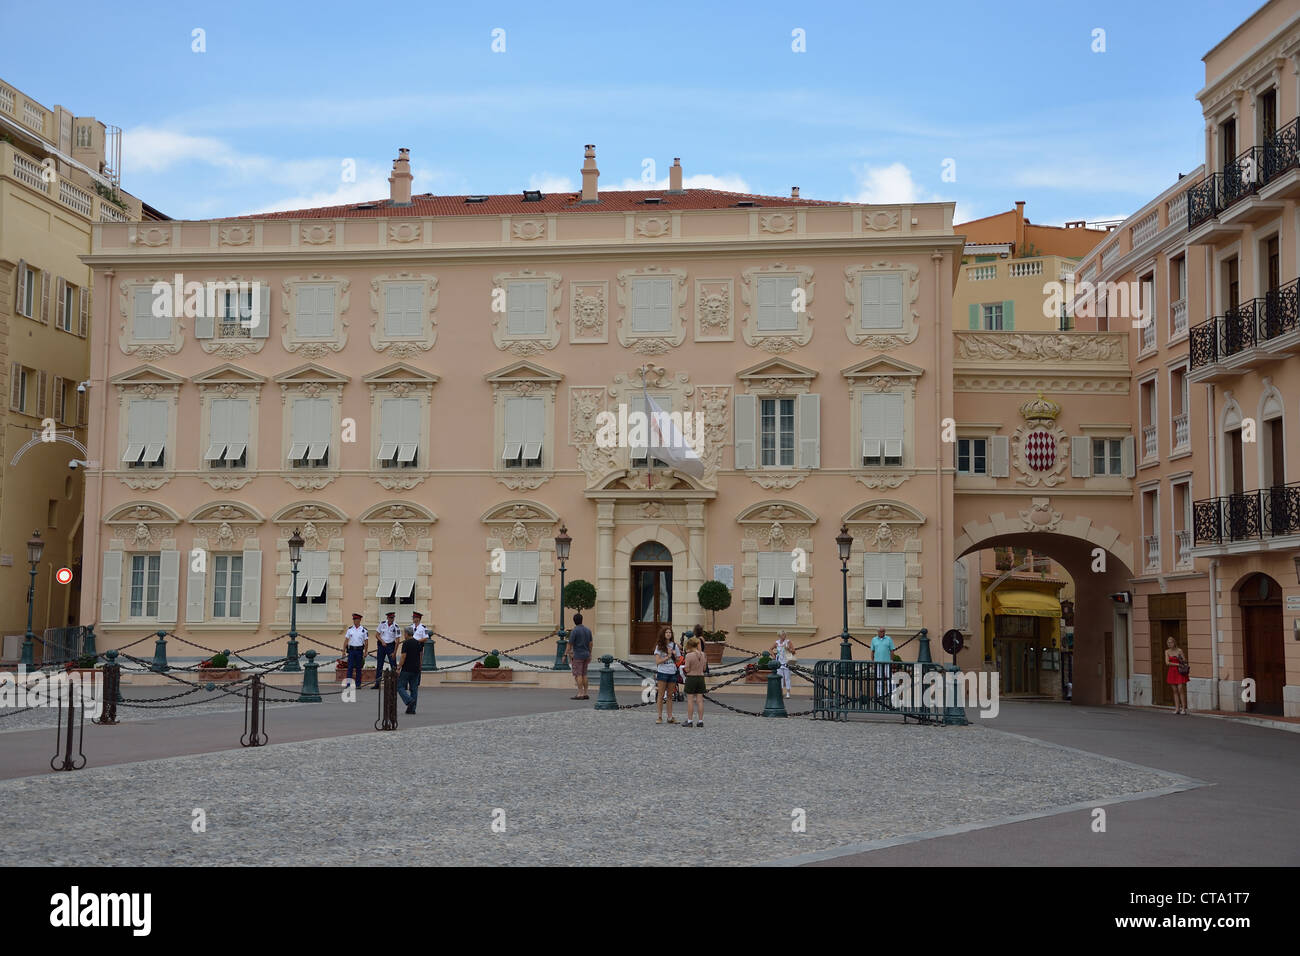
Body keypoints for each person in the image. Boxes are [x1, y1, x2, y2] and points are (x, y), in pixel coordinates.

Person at [565, 612, 594, 700]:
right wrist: (590, 653)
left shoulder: (574, 631)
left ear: (574, 621)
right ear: (582, 620)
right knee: (584, 674)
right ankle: (585, 693)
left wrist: (565, 654)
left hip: (578, 655)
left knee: (578, 674)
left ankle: (580, 693)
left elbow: (570, 644)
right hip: (586, 655)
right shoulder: (588, 630)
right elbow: (591, 643)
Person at [396, 625, 423, 714]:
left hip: (407, 669)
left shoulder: (406, 643)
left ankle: (409, 700)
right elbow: (420, 655)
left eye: (405, 633)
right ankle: (412, 709)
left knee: (400, 686)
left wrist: (399, 667)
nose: (404, 635)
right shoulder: (418, 643)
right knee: (414, 689)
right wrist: (420, 665)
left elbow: (403, 656)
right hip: (416, 669)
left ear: (407, 634)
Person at [653, 627, 678, 724]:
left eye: (670, 632)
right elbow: (658, 661)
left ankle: (670, 717)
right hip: (663, 671)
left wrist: (675, 656)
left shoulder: (674, 645)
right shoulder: (659, 646)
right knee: (661, 694)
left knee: (670, 696)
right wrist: (668, 656)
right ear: (663, 634)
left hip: (672, 672)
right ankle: (659, 716)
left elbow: (678, 660)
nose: (668, 634)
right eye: (666, 632)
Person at [682, 636, 708, 728]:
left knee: (690, 700)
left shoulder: (689, 655)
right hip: (700, 678)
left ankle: (690, 721)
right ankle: (700, 721)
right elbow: (704, 668)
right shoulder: (703, 654)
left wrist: (685, 668)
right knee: (700, 701)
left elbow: (687, 669)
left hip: (691, 678)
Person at [372, 610, 400, 688]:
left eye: (393, 618)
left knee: (393, 665)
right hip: (381, 645)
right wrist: (382, 641)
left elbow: (398, 640)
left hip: (391, 645)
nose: (392, 619)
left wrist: (395, 652)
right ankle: (377, 684)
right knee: (379, 664)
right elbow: (377, 635)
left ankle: (396, 684)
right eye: (390, 618)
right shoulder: (382, 624)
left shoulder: (396, 626)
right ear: (387, 618)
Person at [1164, 635, 1190, 715]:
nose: (1169, 644)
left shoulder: (1179, 650)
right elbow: (1167, 663)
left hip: (1180, 671)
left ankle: (1183, 709)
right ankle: (1177, 708)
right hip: (1172, 672)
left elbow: (1185, 660)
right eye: (1168, 643)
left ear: (1174, 643)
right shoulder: (1167, 651)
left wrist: (1180, 659)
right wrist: (1177, 664)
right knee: (1175, 691)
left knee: (1180, 689)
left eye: (1171, 642)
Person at [870, 627, 895, 706]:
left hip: (887, 662)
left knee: (890, 678)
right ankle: (881, 694)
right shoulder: (874, 639)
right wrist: (873, 661)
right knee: (879, 678)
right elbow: (872, 651)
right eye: (880, 631)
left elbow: (892, 650)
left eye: (883, 631)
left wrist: (891, 660)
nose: (882, 632)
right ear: (877, 632)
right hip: (878, 662)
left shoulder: (889, 639)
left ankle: (892, 693)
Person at [343, 613, 368, 688]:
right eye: (354, 619)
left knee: (358, 668)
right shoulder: (350, 629)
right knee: (350, 667)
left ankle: (358, 684)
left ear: (359, 620)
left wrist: (366, 652)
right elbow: (346, 641)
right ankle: (348, 684)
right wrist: (343, 651)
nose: (355, 621)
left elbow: (366, 642)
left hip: (359, 651)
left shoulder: (364, 630)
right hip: (351, 651)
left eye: (356, 619)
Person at [770, 630, 796, 699]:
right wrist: (773, 656)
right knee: (780, 678)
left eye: (785, 635)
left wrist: (788, 649)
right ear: (779, 636)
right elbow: (770, 649)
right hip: (779, 662)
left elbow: (793, 652)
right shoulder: (777, 642)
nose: (784, 636)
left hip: (787, 662)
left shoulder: (788, 642)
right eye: (783, 635)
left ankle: (788, 693)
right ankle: (780, 692)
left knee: (787, 678)